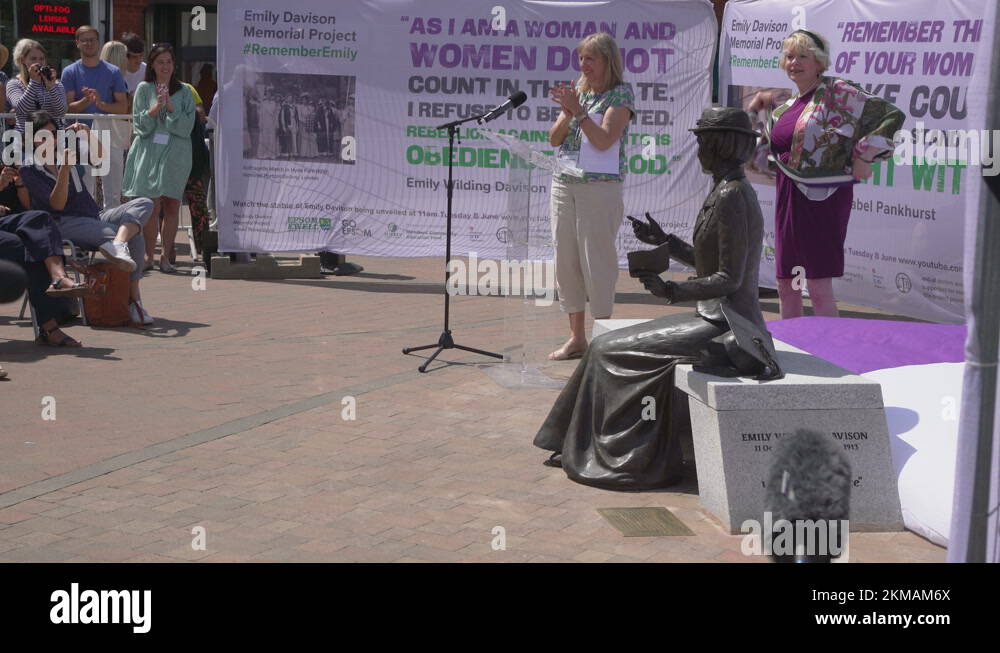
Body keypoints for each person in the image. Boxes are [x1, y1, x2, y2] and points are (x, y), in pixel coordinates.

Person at [534, 106, 770, 489]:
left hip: (729, 329)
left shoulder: (733, 196)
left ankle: (611, 452)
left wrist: (672, 290)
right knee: (603, 344)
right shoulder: (725, 189)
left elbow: (730, 278)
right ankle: (574, 442)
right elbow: (711, 261)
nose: (698, 152)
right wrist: (665, 243)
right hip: (711, 318)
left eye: (702, 143)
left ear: (719, 145)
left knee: (608, 350)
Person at [749, 30, 904, 318]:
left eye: (803, 56)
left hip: (823, 202)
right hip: (788, 201)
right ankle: (793, 349)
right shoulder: (783, 108)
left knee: (818, 287)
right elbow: (770, 154)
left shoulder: (838, 92)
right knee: (787, 283)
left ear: (819, 63)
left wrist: (864, 154)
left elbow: (890, 116)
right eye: (790, 56)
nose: (794, 62)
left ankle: (826, 357)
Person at [545, 32, 634, 361]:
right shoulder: (578, 92)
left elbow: (604, 141)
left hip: (599, 189)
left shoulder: (620, 95)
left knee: (596, 261)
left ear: (607, 61)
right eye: (581, 58)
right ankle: (576, 338)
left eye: (590, 59)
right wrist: (568, 113)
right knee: (566, 261)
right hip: (563, 184)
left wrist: (579, 112)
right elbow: (554, 140)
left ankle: (603, 338)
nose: (584, 65)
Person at [20, 111, 155, 326]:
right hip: (62, 222)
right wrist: (64, 170)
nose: (50, 140)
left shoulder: (66, 151)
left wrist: (87, 133)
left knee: (144, 203)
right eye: (42, 136)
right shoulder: (29, 167)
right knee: (135, 236)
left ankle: (118, 244)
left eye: (53, 134)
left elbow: (100, 159)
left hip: (94, 215)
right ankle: (134, 301)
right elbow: (57, 205)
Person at [121, 43, 195, 274]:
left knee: (172, 205)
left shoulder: (184, 91)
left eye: (169, 62)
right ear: (152, 65)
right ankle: (148, 255)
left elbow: (186, 127)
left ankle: (166, 257)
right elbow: (140, 126)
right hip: (149, 151)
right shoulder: (144, 89)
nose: (165, 66)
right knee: (151, 206)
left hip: (176, 153)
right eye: (160, 62)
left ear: (174, 65)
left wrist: (171, 107)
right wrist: (155, 108)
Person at [60, 25, 129, 199]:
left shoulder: (114, 72)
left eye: (92, 39)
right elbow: (66, 108)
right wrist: (86, 101)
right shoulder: (69, 72)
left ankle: (112, 225)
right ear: (77, 43)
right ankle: (88, 224)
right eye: (84, 40)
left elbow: (123, 106)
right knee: (85, 189)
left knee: (113, 192)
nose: (89, 43)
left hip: (109, 134)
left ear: (98, 42)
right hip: (80, 135)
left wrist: (101, 104)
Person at [97, 41, 132, 210]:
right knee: (113, 189)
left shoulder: (100, 78)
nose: (128, 59)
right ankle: (112, 225)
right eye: (126, 55)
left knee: (103, 187)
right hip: (112, 136)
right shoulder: (117, 80)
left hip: (100, 134)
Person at [5, 39, 68, 133]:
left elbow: (62, 111)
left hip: (54, 139)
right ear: (23, 60)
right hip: (26, 139)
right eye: (33, 59)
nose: (38, 62)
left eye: (42, 59)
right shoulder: (14, 83)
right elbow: (21, 109)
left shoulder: (56, 84)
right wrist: (34, 82)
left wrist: (51, 88)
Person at [119, 33, 146, 100]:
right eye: (134, 56)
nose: (139, 60)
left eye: (141, 55)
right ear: (125, 55)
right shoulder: (117, 72)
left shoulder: (147, 70)